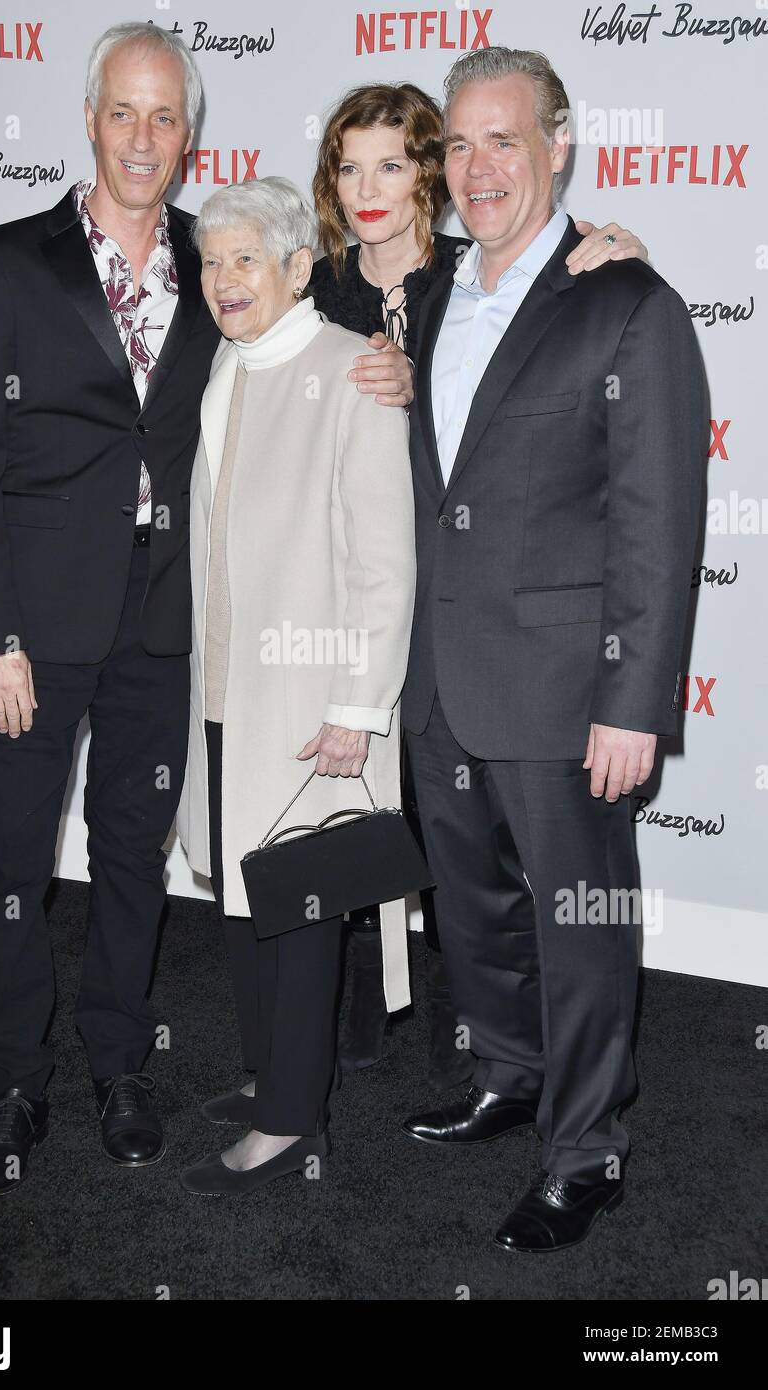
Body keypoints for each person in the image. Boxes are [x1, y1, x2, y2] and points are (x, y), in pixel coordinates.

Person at [0, 21, 413, 1198]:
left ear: (188, 135)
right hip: (31, 638)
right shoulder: (5, 260)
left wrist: (401, 350)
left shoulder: (223, 257)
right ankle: (12, 1081)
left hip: (167, 632)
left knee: (132, 861)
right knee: (8, 855)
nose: (143, 138)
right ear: (89, 119)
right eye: (122, 112)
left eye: (165, 118)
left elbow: (333, 297)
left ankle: (118, 1066)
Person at [400, 47, 706, 1251]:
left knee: (581, 922)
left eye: (504, 141)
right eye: (460, 146)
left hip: (566, 687)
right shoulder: (428, 295)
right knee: (471, 912)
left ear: (558, 145)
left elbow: (659, 523)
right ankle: (508, 1075)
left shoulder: (629, 301)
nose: (479, 170)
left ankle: (586, 1152)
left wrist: (633, 702)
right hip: (442, 679)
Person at [308, 80, 649, 1085]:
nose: (370, 187)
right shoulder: (312, 285)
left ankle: (554, 1104)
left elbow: (583, 356)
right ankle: (416, 1044)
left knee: (524, 880)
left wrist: (619, 254)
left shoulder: (486, 273)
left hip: (500, 633)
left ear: (430, 176)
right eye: (348, 165)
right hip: (373, 625)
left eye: (397, 162)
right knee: (415, 855)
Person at [176, 176, 416, 1196]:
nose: (224, 280)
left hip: (316, 703)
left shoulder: (350, 370)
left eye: (245, 260)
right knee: (247, 902)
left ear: (294, 268)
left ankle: (292, 1124)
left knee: (302, 905)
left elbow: (385, 557)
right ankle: (273, 1072)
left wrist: (358, 705)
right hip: (228, 690)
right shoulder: (225, 369)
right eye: (210, 260)